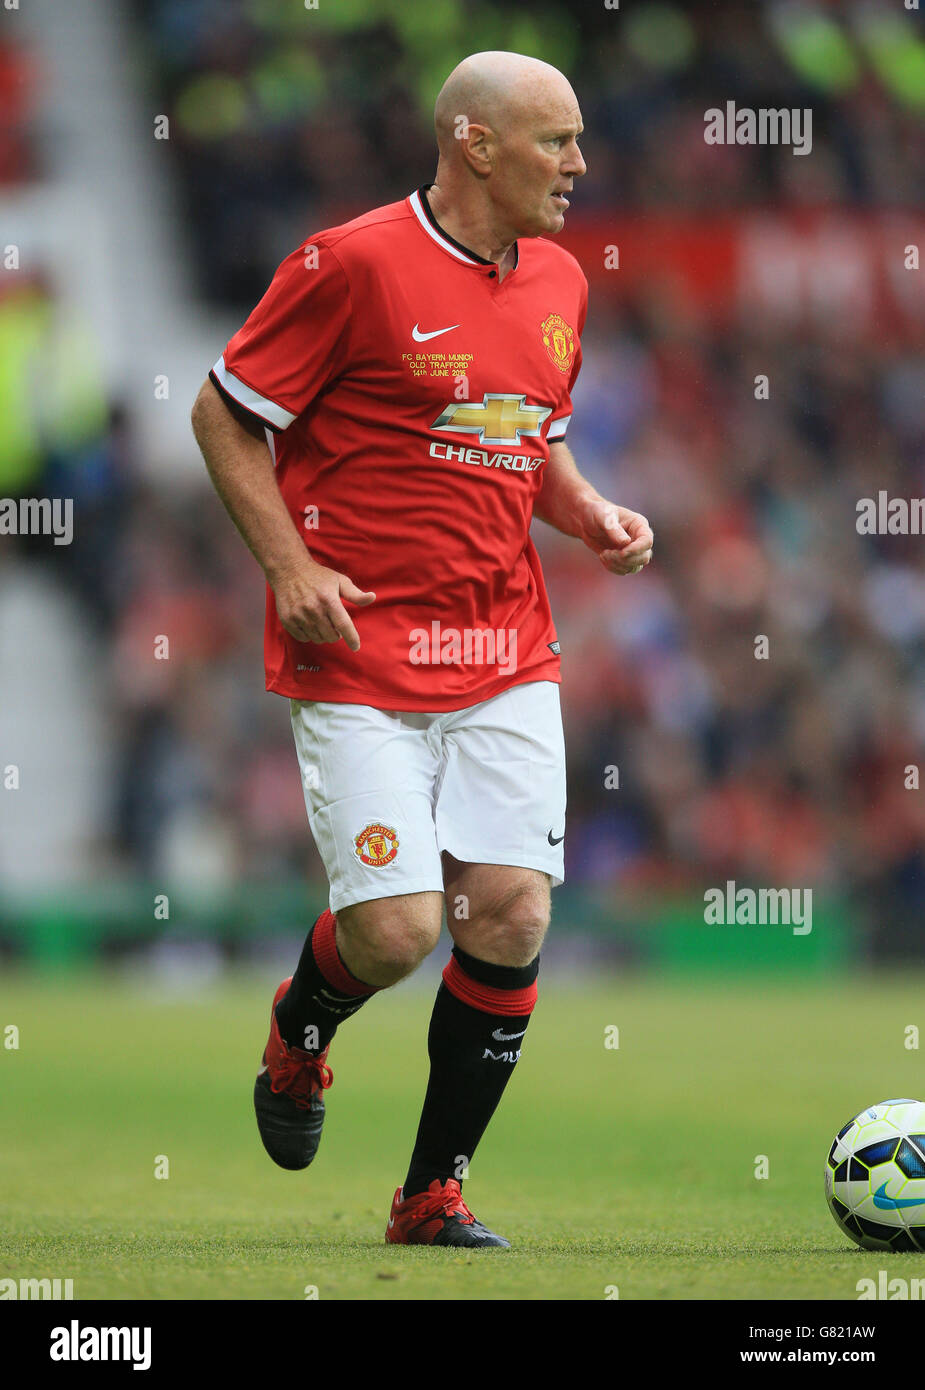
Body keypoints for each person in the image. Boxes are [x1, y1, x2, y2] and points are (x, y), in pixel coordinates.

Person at [190, 49, 653, 1248]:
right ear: (475, 143)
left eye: (579, 138)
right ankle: (301, 1034)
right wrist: (289, 566)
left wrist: (590, 509)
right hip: (359, 648)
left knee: (506, 914)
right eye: (555, 140)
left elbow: (526, 439)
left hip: (504, 643)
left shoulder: (559, 280)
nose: (578, 164)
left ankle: (429, 1194)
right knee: (396, 931)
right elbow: (225, 412)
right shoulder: (348, 264)